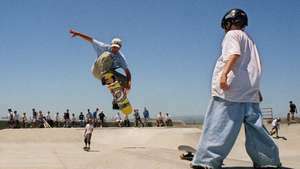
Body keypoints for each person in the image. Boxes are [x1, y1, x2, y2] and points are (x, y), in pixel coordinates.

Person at [191, 9, 281, 169]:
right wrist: (256, 89)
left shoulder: (232, 35)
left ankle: (206, 161)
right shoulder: (250, 41)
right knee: (256, 129)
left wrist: (224, 75)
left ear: (229, 23)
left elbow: (234, 54)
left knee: (218, 125)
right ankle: (268, 162)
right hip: (249, 93)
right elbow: (254, 68)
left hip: (230, 92)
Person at [69, 29, 132, 109]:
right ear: (111, 45)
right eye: (114, 47)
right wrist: (78, 34)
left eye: (117, 48)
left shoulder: (121, 58)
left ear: (120, 48)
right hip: (97, 70)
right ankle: (105, 76)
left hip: (109, 73)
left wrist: (128, 85)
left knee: (125, 82)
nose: (115, 49)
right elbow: (91, 40)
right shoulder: (103, 47)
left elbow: (127, 71)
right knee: (107, 55)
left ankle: (116, 100)